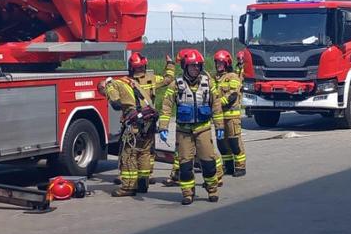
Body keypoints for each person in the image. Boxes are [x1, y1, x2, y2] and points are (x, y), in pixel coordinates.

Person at [158, 49, 223, 205]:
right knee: (185, 165)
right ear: (185, 67)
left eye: (198, 66)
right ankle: (188, 193)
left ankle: (212, 189)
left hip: (203, 128)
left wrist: (219, 125)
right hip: (184, 131)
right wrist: (163, 127)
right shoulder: (176, 84)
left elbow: (216, 104)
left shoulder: (208, 83)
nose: (195, 68)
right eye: (192, 66)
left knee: (208, 163)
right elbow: (166, 106)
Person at [102, 53, 170, 197]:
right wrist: (170, 65)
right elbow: (168, 80)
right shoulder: (152, 79)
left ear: (130, 68)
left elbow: (115, 102)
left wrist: (107, 88)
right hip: (149, 123)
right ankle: (143, 184)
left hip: (133, 126)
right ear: (144, 65)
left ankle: (127, 188)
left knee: (129, 155)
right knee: (145, 153)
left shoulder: (119, 83)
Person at [213, 50, 246, 177]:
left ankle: (240, 167)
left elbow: (232, 95)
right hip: (219, 118)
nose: (219, 65)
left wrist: (216, 103)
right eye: (217, 62)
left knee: (234, 143)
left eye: (221, 62)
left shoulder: (233, 76)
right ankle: (228, 166)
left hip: (232, 117)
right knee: (222, 143)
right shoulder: (215, 78)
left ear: (227, 63)